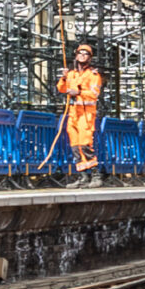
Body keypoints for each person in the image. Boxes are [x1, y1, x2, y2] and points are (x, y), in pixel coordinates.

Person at [57, 42, 104, 184]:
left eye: (86, 54)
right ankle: (82, 177)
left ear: (90, 58)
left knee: (85, 144)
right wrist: (64, 78)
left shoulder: (93, 75)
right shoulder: (71, 74)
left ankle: (96, 175)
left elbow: (94, 94)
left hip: (86, 114)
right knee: (75, 146)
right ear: (76, 55)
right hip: (73, 114)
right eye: (80, 53)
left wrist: (79, 92)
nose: (82, 56)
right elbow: (61, 89)